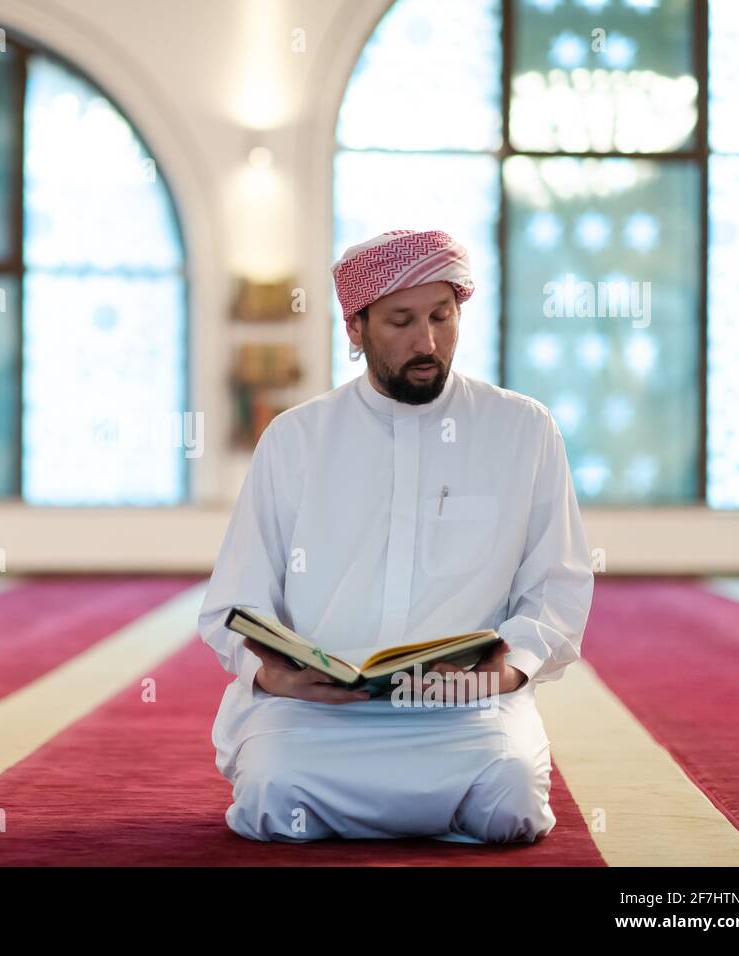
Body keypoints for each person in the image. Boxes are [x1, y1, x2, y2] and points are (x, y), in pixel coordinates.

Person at [198, 229, 594, 844]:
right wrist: (273, 676)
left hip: (463, 711)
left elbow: (557, 584)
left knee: (510, 802)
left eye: (442, 316)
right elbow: (236, 601)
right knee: (273, 796)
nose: (427, 342)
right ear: (355, 330)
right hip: (319, 712)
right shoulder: (296, 438)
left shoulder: (522, 429)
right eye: (400, 321)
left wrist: (508, 672)